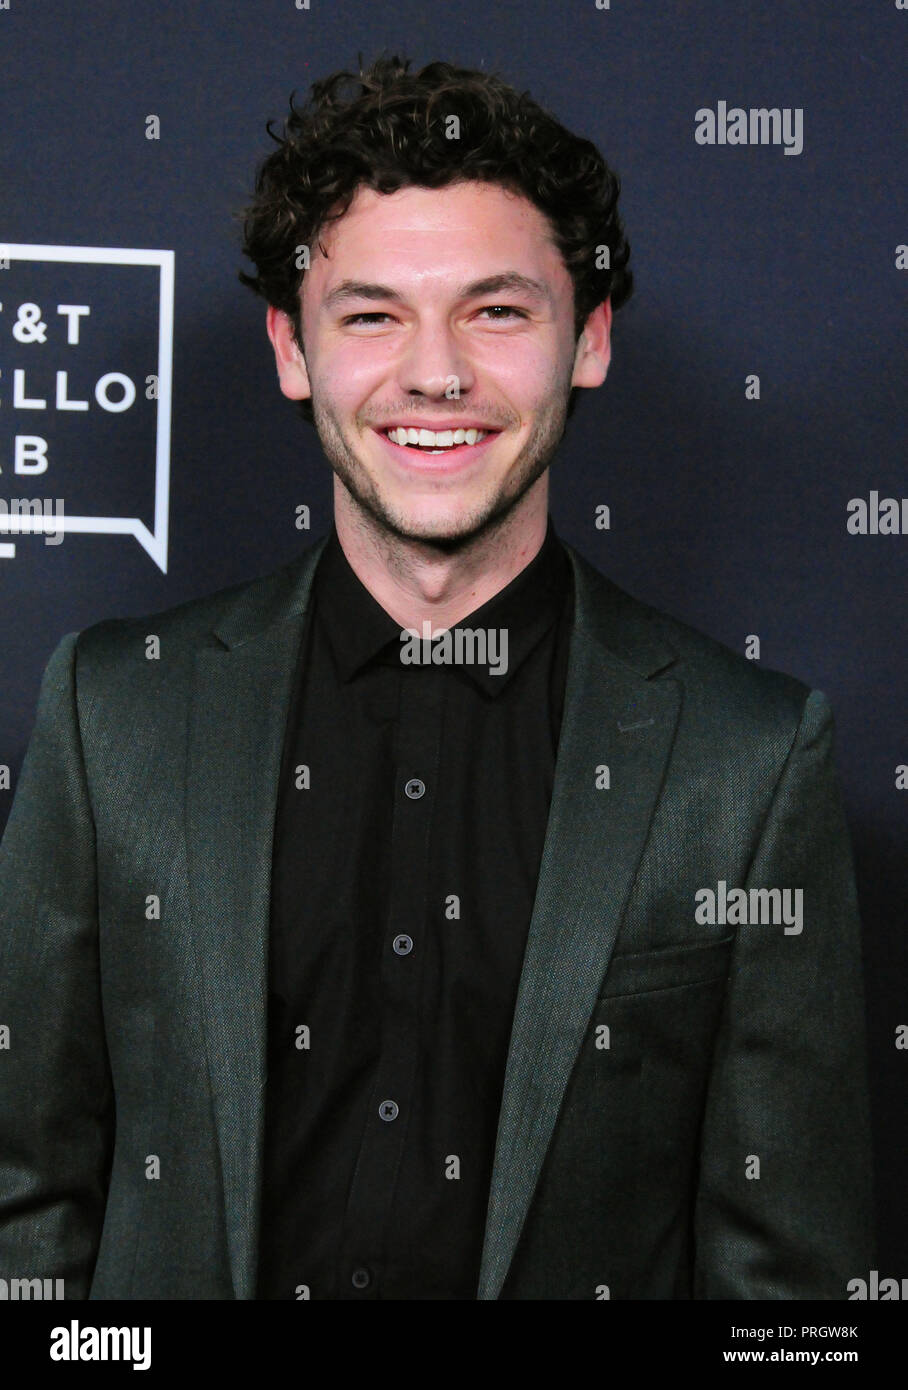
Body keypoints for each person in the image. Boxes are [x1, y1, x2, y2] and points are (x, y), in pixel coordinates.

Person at [0, 54, 874, 1300]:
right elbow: (23, 1202)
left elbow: (787, 1292)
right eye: (370, 315)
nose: (435, 374)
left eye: (497, 310)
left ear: (590, 339)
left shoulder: (745, 758)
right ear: (292, 351)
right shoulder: (114, 711)